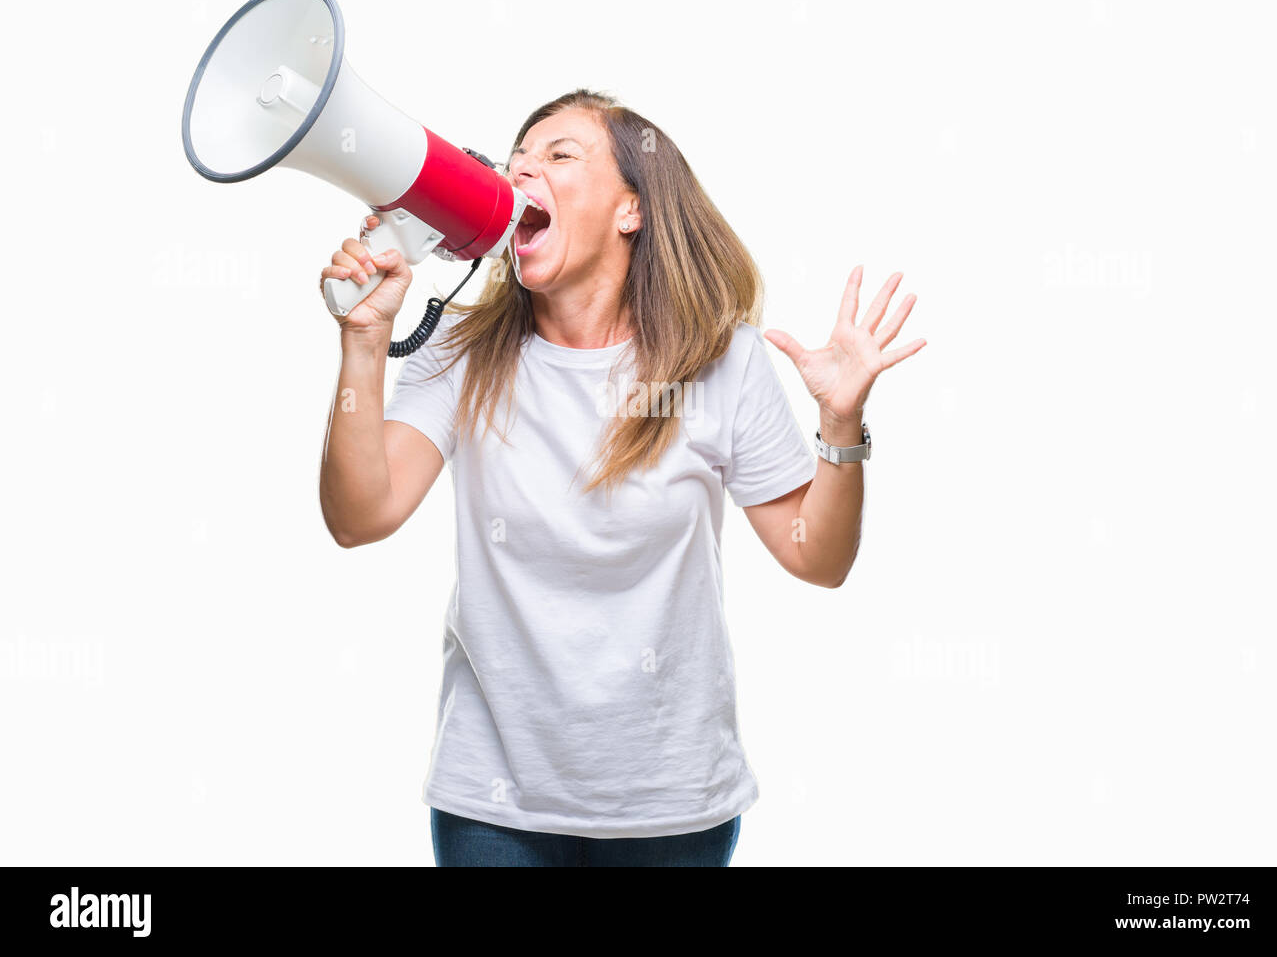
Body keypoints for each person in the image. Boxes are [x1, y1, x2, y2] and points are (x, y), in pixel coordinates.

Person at [317, 89, 926, 867]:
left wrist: (840, 426)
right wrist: (366, 343)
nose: (521, 171)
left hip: (672, 809)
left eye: (559, 155)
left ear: (630, 210)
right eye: (516, 160)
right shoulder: (461, 353)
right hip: (493, 806)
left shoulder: (724, 362)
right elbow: (358, 516)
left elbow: (819, 558)